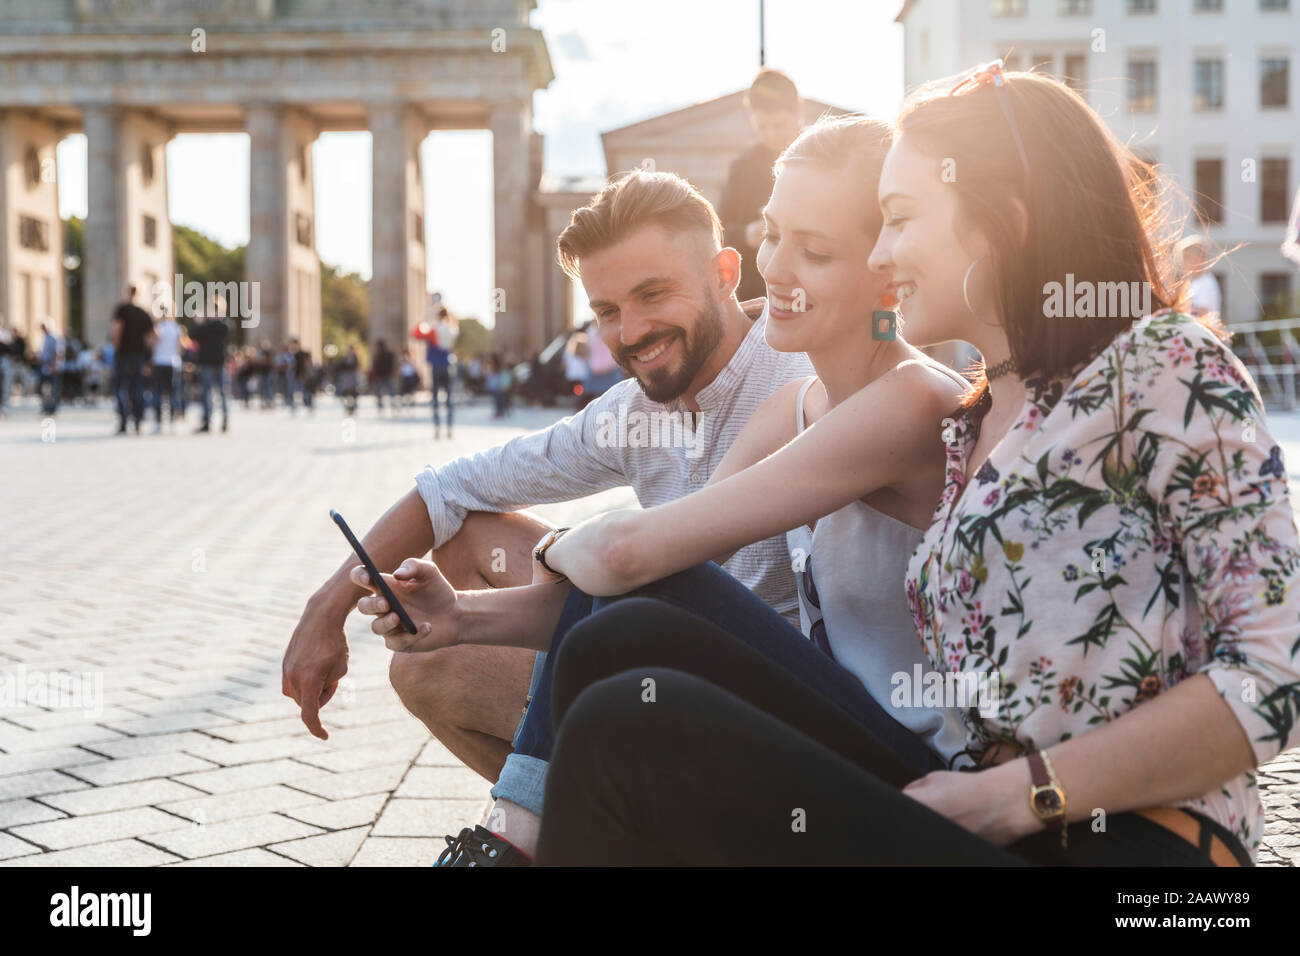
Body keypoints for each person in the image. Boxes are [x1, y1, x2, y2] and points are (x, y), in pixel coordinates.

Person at [532, 63, 1300, 866]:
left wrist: (1023, 791)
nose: (883, 252)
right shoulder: (972, 418)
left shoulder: (1162, 363)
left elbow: (1276, 676)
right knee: (617, 644)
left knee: (625, 725)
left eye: (898, 220)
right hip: (965, 800)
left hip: (1139, 848)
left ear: (1002, 221)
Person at [354, 116, 982, 865]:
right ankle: (517, 839)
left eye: (813, 251)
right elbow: (674, 579)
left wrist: (562, 549)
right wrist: (459, 616)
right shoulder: (797, 408)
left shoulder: (913, 399)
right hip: (835, 723)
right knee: (630, 598)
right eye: (772, 236)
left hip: (922, 770)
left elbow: (628, 557)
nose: (776, 270)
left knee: (628, 577)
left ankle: (512, 842)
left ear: (886, 265)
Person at [281, 169, 815, 857]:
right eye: (608, 310)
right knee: (432, 644)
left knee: (619, 572)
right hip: (654, 663)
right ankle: (582, 839)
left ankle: (571, 835)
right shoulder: (631, 413)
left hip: (769, 710)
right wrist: (324, 611)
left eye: (653, 294)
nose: (633, 332)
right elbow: (450, 489)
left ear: (722, 272)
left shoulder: (798, 374)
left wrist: (567, 554)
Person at [719, 69, 804, 303]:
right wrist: (747, 234)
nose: (772, 134)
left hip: (808, 287)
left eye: (779, 125)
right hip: (756, 294)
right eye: (763, 127)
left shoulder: (821, 158)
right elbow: (719, 229)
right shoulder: (741, 168)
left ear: (798, 110)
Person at [110, 285, 154, 434]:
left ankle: (123, 421)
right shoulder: (143, 313)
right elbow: (152, 336)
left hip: (124, 355)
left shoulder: (122, 310)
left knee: (121, 388)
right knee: (137, 388)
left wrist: (116, 348)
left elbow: (116, 330)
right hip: (138, 356)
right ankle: (137, 421)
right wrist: (147, 353)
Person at [193, 309, 230, 434]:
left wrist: (199, 322)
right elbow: (193, 336)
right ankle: (214, 421)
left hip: (210, 363)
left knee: (210, 393)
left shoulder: (212, 326)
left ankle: (212, 421)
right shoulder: (220, 326)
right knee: (216, 393)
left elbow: (195, 333)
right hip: (214, 363)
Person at [426, 306, 458, 438]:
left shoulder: (435, 328)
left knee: (435, 398)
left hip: (436, 364)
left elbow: (423, 330)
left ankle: (437, 428)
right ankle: (450, 428)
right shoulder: (453, 329)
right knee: (449, 398)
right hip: (448, 363)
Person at [150, 308, 183, 432]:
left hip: (159, 362)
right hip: (173, 362)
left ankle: (159, 421)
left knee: (158, 392)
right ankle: (173, 420)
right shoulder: (176, 328)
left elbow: (153, 344)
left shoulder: (158, 327)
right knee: (173, 392)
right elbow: (179, 347)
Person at [37, 322, 63, 415]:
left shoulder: (53, 337)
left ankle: (52, 408)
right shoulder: (45, 338)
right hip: (44, 365)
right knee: (44, 387)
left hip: (51, 366)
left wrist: (53, 366)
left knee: (53, 388)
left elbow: (56, 353)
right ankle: (46, 407)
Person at [370, 338, 395, 413]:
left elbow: (375, 366)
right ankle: (391, 406)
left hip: (383, 376)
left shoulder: (379, 355)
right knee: (390, 392)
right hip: (385, 376)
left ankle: (384, 406)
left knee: (383, 392)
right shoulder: (388, 354)